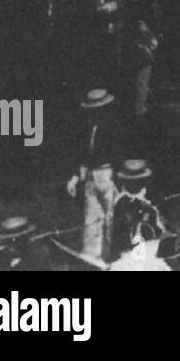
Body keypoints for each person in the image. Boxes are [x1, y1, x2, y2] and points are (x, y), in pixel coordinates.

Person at [67, 88, 125, 261]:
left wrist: (117, 180)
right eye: (92, 110)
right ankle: (92, 259)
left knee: (110, 218)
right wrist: (75, 177)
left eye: (99, 109)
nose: (95, 113)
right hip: (91, 176)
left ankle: (110, 257)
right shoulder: (87, 129)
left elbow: (119, 156)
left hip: (108, 175)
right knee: (91, 220)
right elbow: (83, 155)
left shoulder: (115, 128)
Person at [110, 158, 169, 269]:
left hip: (147, 253)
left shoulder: (150, 204)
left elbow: (158, 231)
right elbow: (117, 235)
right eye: (132, 183)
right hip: (127, 255)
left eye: (137, 182)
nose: (135, 185)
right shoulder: (121, 204)